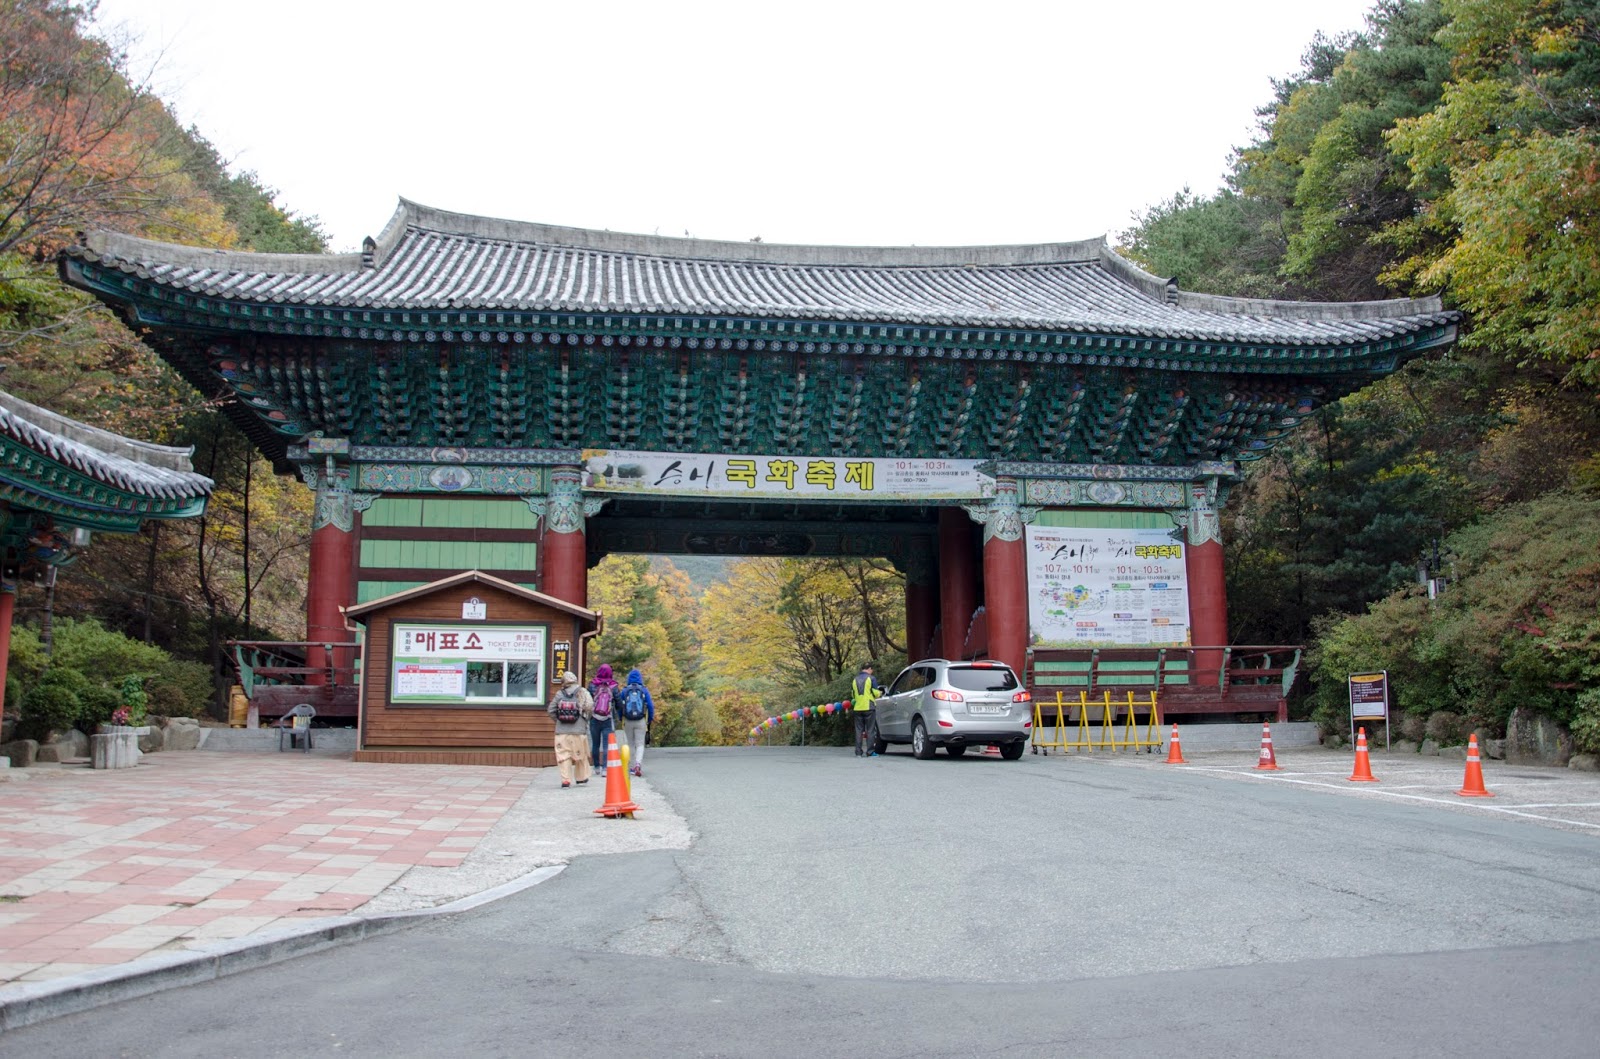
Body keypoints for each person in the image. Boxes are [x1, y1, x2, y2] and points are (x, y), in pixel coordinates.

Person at [548, 671, 593, 788]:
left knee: (563, 756)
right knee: (581, 755)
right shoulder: (582, 692)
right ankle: (581, 777)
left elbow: (550, 710)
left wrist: (559, 720)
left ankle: (566, 780)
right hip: (579, 731)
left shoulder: (559, 694)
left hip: (561, 732)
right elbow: (590, 707)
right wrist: (584, 719)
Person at [617, 667, 655, 778]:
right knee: (640, 744)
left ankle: (633, 767)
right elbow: (650, 706)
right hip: (640, 720)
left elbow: (620, 706)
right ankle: (638, 764)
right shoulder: (644, 690)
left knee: (631, 744)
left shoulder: (625, 690)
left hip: (628, 720)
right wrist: (649, 720)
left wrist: (621, 718)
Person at [587, 663, 620, 776]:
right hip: (608, 718)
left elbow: (588, 701)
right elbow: (619, 702)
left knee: (595, 744)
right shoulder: (613, 686)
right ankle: (605, 768)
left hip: (594, 718)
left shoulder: (592, 685)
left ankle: (596, 767)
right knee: (606, 745)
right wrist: (619, 715)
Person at [850, 662, 882, 757]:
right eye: (871, 670)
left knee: (859, 730)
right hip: (869, 707)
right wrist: (880, 693)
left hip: (857, 708)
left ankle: (858, 752)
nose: (872, 672)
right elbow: (876, 693)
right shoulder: (871, 678)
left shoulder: (854, 680)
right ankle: (870, 751)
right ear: (869, 669)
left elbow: (852, 695)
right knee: (870, 730)